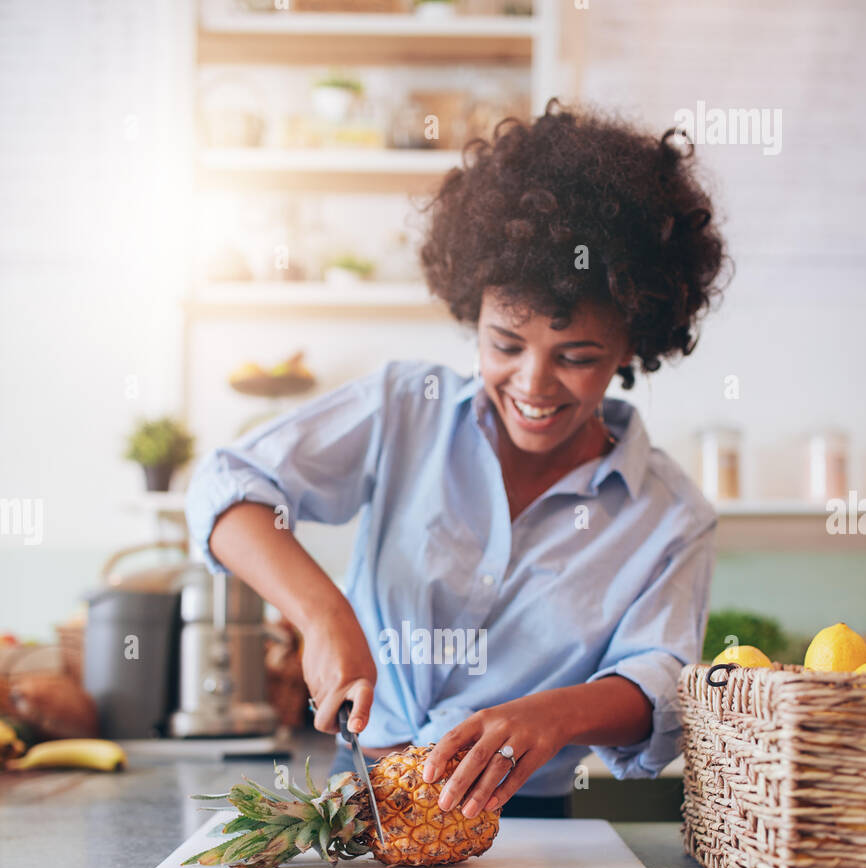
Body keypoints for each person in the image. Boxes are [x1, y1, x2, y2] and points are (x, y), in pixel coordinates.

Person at [185, 100, 729, 821]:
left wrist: (553, 715)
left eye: (576, 357)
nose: (533, 384)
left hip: (527, 827)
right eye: (506, 344)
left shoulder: (670, 515)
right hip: (360, 795)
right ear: (473, 311)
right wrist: (323, 615)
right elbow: (229, 488)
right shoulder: (404, 407)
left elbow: (660, 680)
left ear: (631, 347)